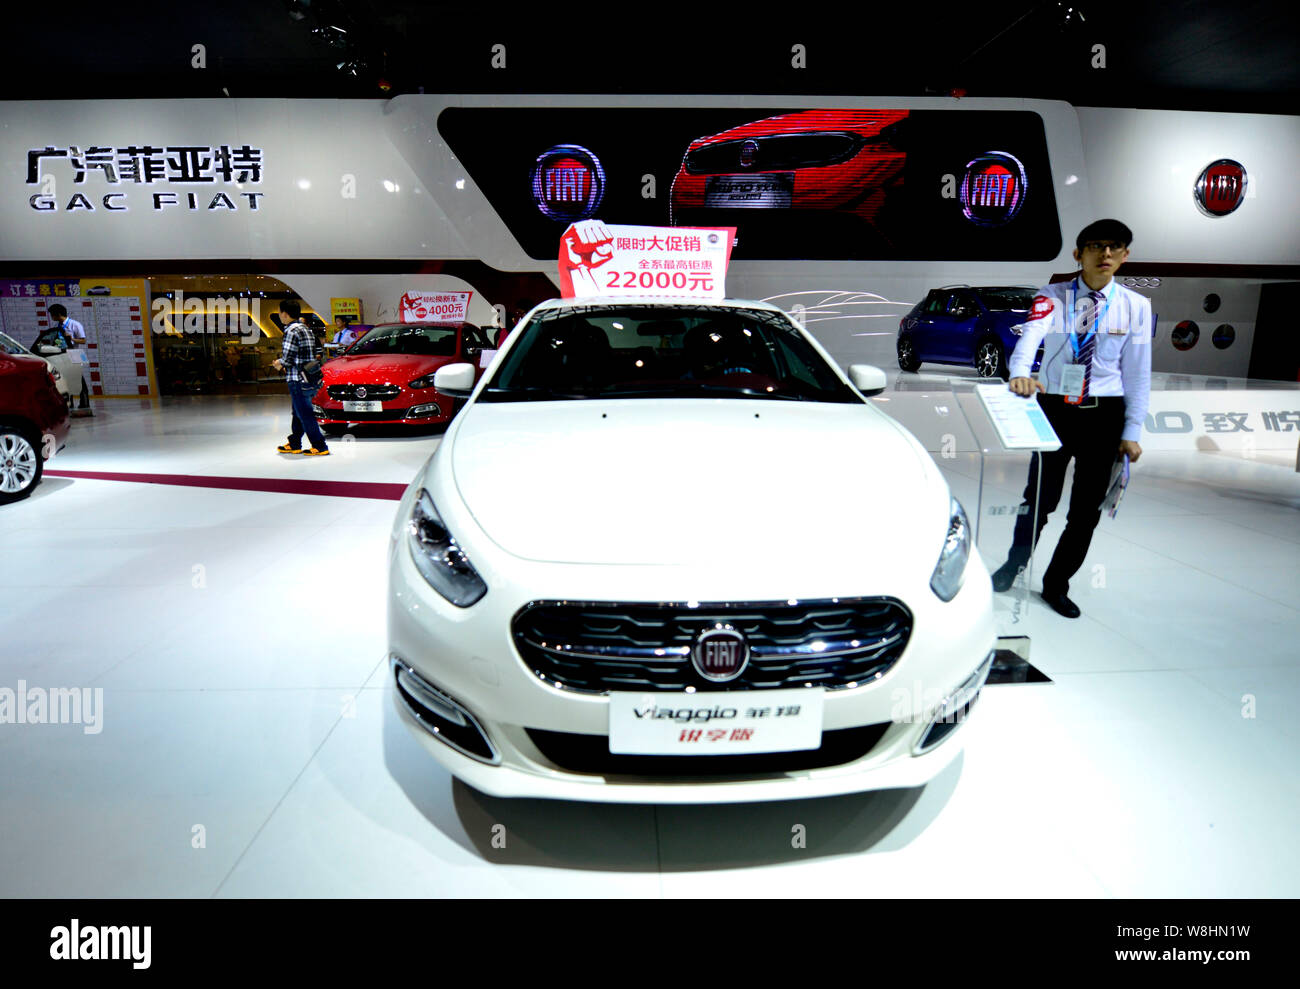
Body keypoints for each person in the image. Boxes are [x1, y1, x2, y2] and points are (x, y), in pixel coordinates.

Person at [989, 219, 1152, 618]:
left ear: (1125, 254)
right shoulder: (1052, 296)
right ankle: (1014, 564)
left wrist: (1131, 431)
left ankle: (1056, 585)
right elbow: (1029, 338)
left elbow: (1138, 372)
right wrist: (1020, 374)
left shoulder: (1137, 306)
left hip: (1104, 416)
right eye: (1096, 246)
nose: (1106, 254)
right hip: (1056, 410)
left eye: (1115, 247)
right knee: (1038, 500)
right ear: (1078, 254)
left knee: (1085, 511)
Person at [271, 299, 329, 456]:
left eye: (279, 312)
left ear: (284, 314)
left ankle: (320, 445)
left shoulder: (291, 331)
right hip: (309, 377)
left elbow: (288, 358)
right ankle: (295, 442)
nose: (279, 315)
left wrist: (278, 363)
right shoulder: (305, 328)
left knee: (305, 414)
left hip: (297, 379)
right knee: (298, 412)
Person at [47, 303, 90, 409]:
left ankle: (84, 403)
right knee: (64, 380)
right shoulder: (58, 326)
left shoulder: (75, 324)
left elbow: (83, 340)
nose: (51, 317)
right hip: (61, 356)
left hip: (74, 355)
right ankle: (69, 404)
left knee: (79, 380)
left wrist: (72, 338)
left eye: (52, 314)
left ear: (58, 314)